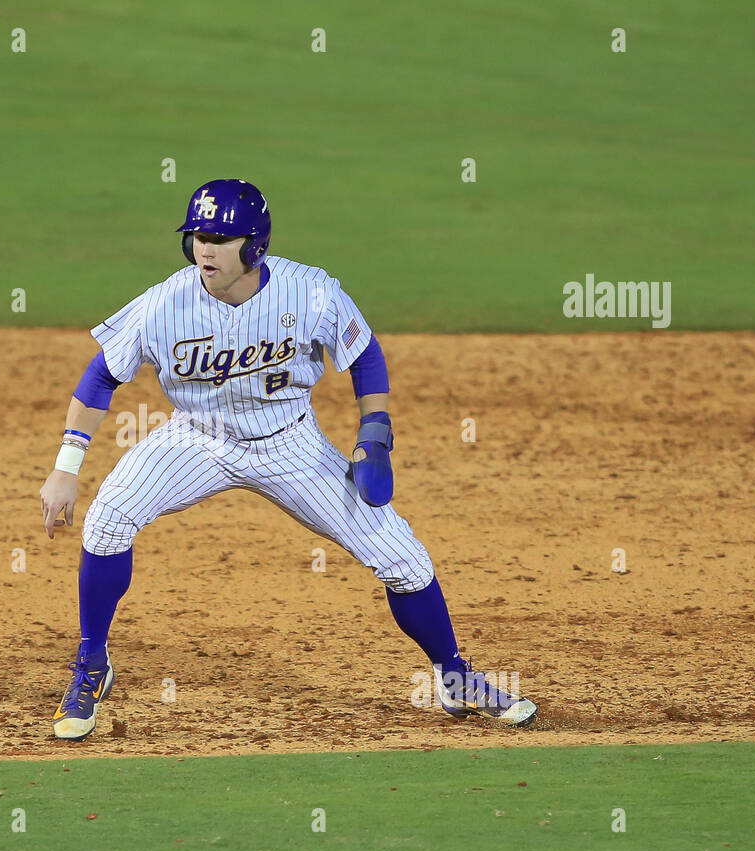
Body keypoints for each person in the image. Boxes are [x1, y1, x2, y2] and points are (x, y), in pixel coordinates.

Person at [39, 178, 538, 741]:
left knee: (403, 557)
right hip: (196, 439)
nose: (204, 248)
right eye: (198, 236)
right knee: (108, 520)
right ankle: (92, 664)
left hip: (290, 444)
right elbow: (99, 377)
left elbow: (364, 356)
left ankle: (454, 676)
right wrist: (66, 466)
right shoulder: (163, 305)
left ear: (254, 246)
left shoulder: (310, 293)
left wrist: (374, 433)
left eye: (219, 238)